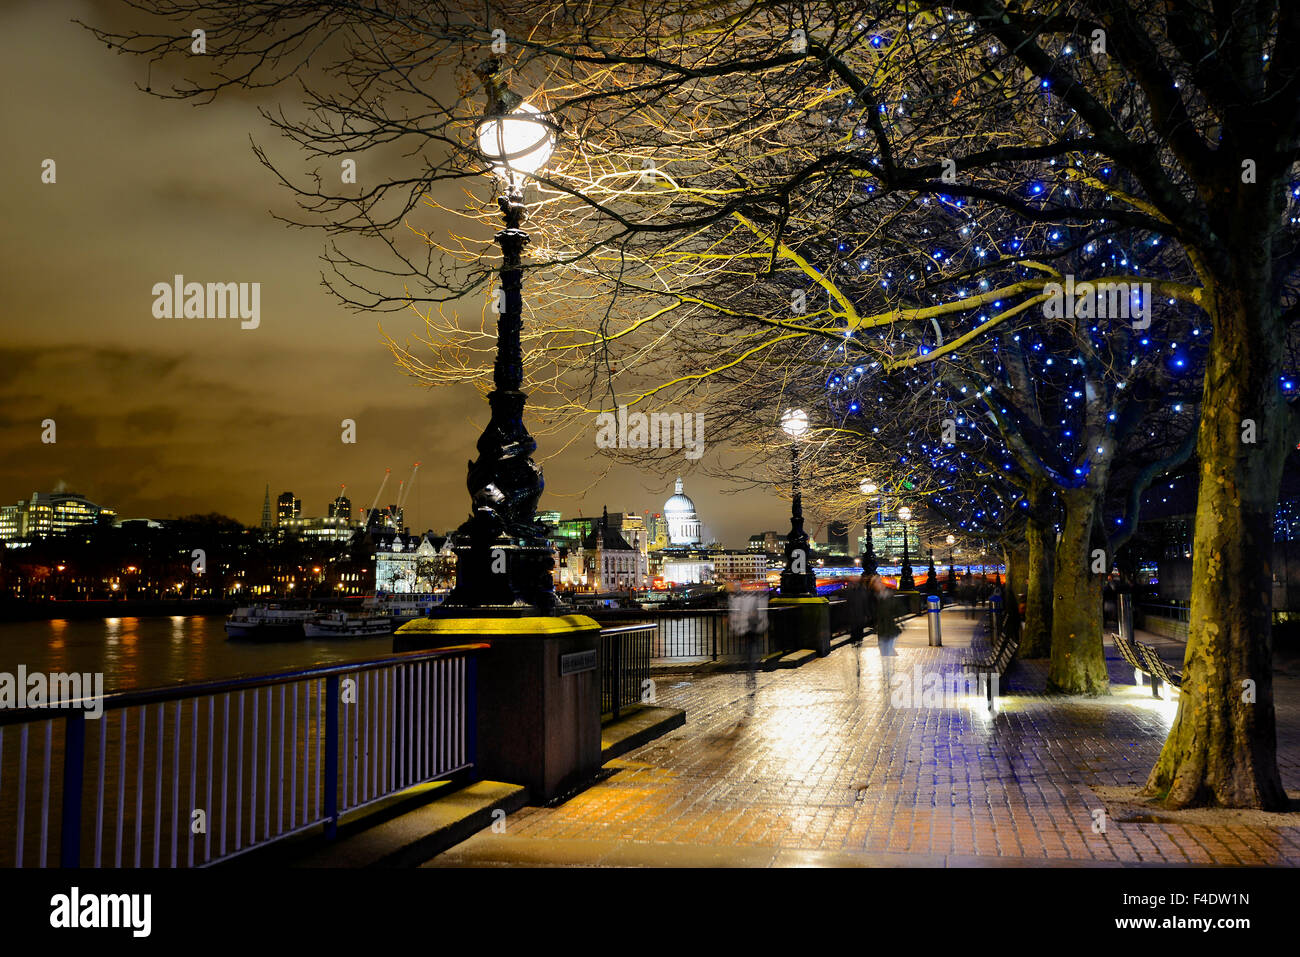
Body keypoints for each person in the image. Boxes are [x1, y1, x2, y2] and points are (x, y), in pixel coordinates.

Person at [871, 574, 901, 655]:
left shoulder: (888, 593)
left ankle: (889, 661)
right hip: (881, 627)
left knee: (887, 650)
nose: (878, 584)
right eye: (876, 583)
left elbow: (896, 607)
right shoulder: (873, 596)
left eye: (879, 582)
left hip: (889, 625)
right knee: (884, 651)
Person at [845, 574, 874, 644]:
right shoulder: (859, 591)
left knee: (858, 632)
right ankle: (856, 643)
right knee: (855, 632)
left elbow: (865, 604)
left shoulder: (860, 591)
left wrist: (868, 615)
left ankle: (857, 643)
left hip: (858, 616)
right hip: (855, 616)